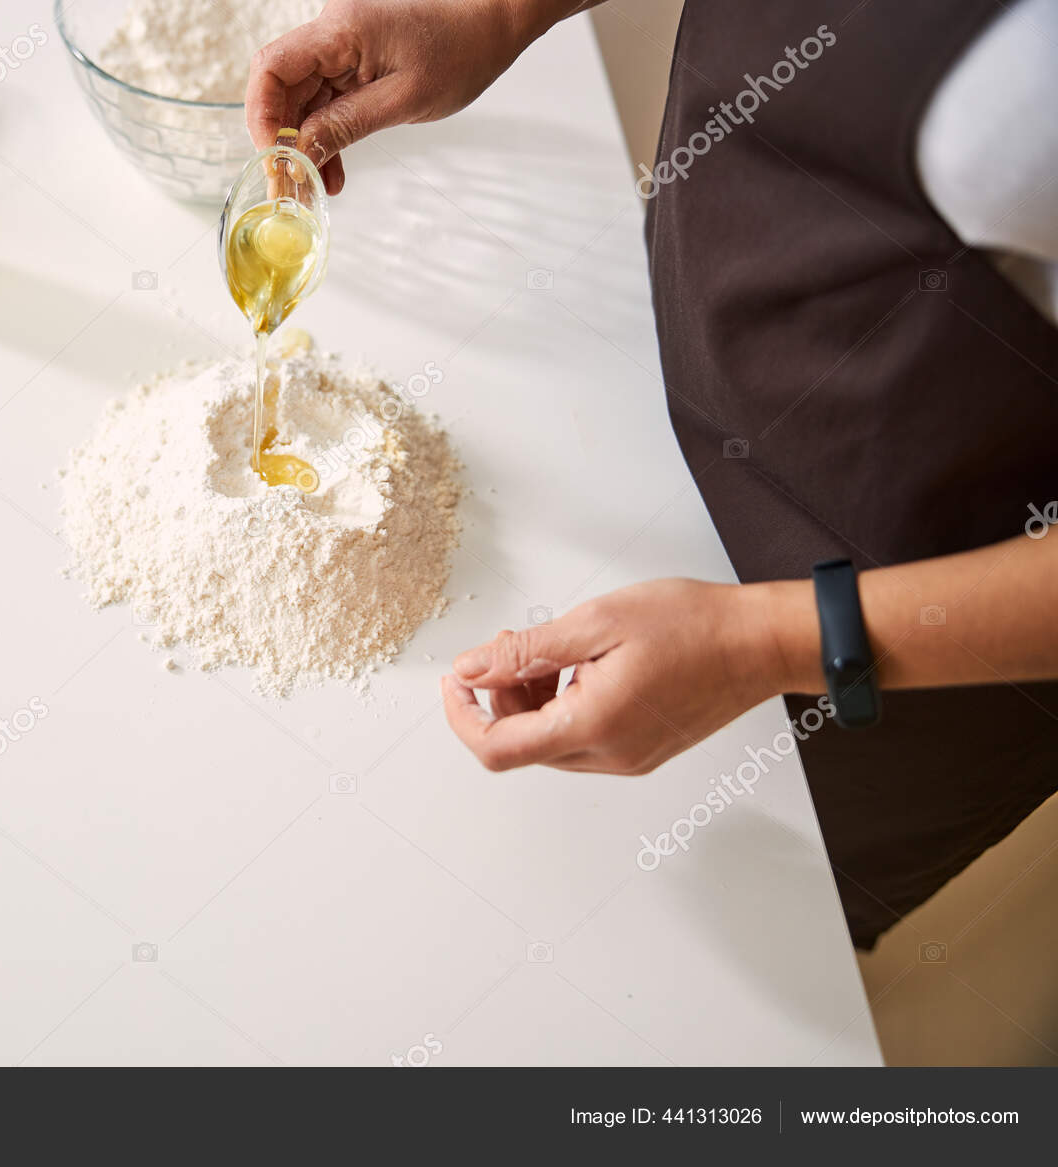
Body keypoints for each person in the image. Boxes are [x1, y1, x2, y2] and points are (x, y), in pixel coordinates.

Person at [247, 0, 1058, 948]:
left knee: (682, 960)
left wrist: (764, 643)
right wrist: (500, 14)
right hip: (672, 404)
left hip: (893, 654)